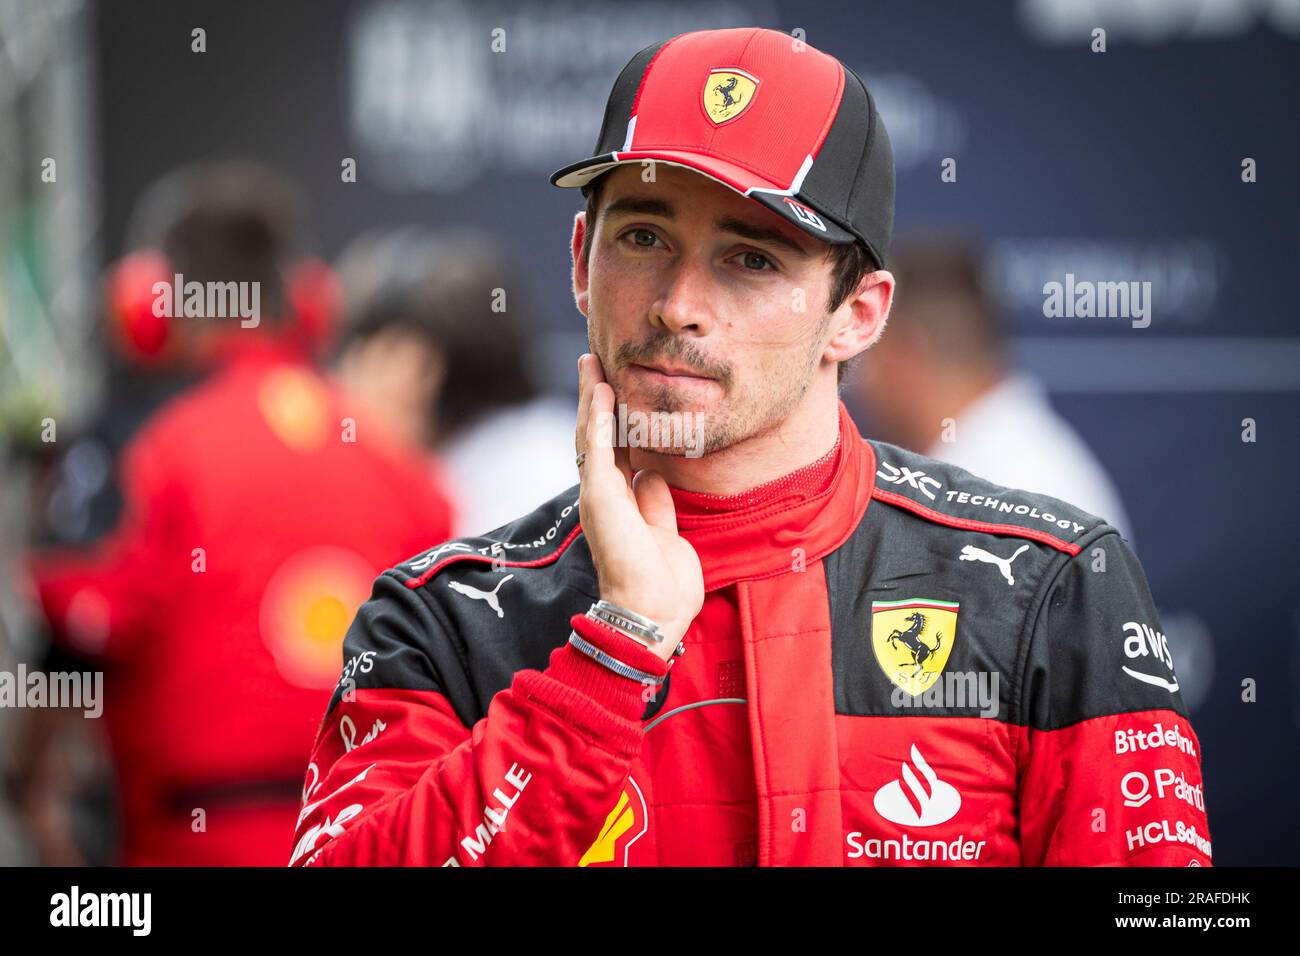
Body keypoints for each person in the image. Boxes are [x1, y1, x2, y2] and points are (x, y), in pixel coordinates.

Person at [290, 27, 1211, 867]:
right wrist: (612, 660)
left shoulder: (1048, 585)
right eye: (644, 237)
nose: (678, 301)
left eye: (752, 258)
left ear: (857, 315)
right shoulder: (440, 620)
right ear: (579, 261)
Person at [23, 161, 454, 865]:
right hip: (372, 839)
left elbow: (77, 632)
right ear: (309, 301)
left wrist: (31, 786)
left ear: (151, 304)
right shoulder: (403, 470)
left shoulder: (139, 451)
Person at [851, 236, 1133, 540]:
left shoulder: (1008, 486)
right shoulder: (1006, 463)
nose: (858, 386)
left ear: (903, 353)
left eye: (866, 355)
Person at [332, 228, 577, 537]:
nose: (343, 377)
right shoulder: (533, 443)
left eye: (379, 351)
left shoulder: (528, 478)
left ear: (421, 372)